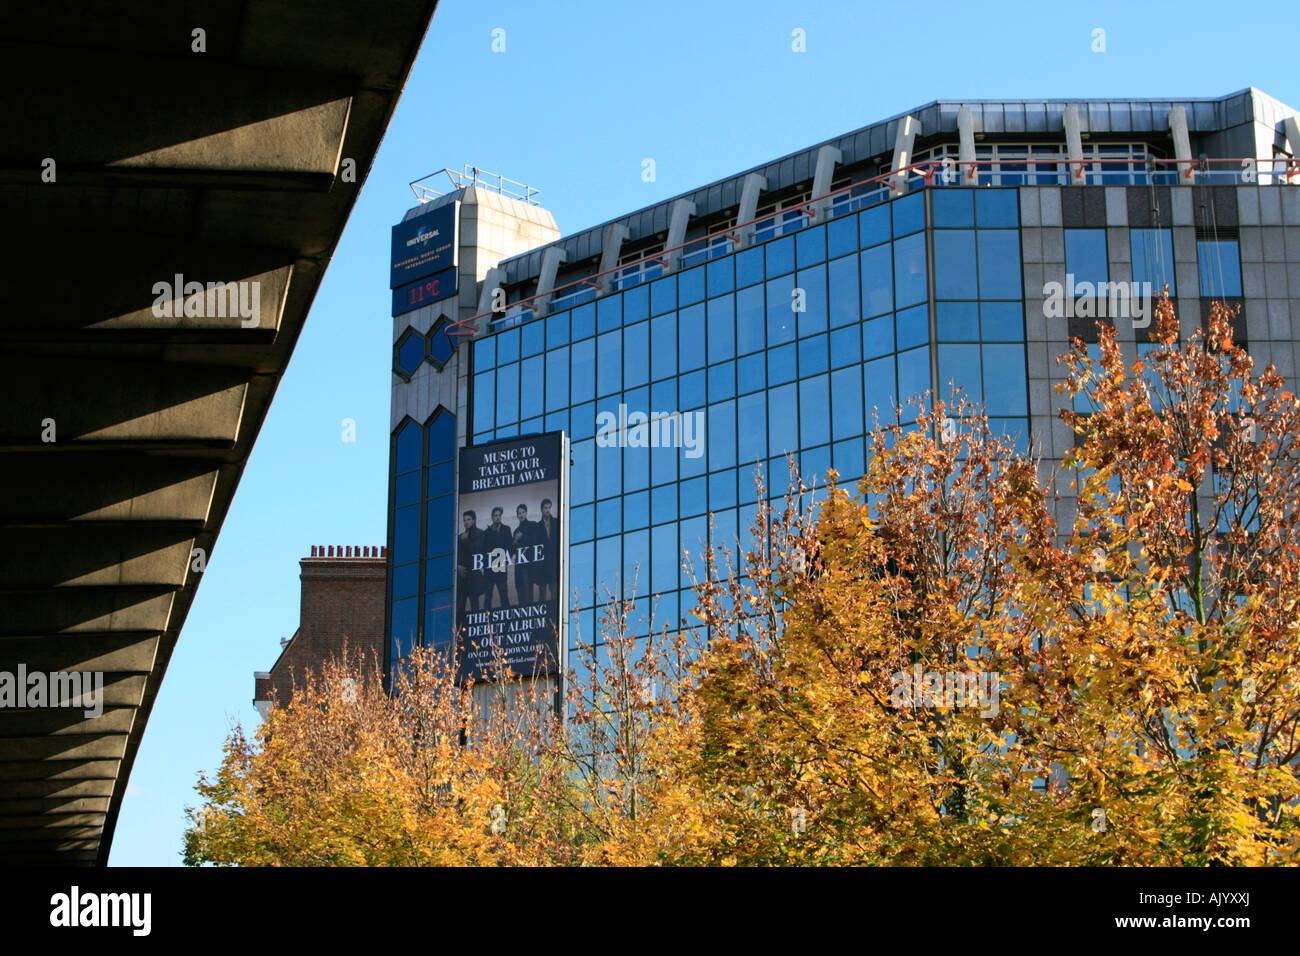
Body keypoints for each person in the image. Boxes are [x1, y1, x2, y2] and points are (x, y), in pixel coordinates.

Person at [481, 506, 513, 610]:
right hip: (489, 570)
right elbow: (484, 551)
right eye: (495, 515)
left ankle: (507, 620)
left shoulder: (506, 529)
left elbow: (510, 547)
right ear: (492, 517)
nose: (498, 517)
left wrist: (506, 562)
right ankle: (486, 621)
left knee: (504, 596)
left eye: (499, 515)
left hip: (501, 568)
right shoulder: (487, 532)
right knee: (488, 597)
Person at [512, 503, 543, 604]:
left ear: (526, 513)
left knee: (528, 594)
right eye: (519, 513)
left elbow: (536, 541)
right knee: (520, 592)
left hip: (529, 566)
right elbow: (513, 550)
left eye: (522, 512)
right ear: (517, 515)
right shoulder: (516, 531)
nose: (521, 515)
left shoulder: (533, 525)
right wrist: (515, 542)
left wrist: (523, 537)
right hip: (519, 566)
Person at [457, 510, 484, 617]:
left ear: (474, 520)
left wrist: (466, 541)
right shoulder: (460, 537)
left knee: (474, 603)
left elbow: (478, 550)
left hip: (473, 575)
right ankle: (460, 627)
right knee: (460, 604)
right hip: (461, 575)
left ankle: (475, 623)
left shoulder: (480, 534)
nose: (466, 523)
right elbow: (455, 556)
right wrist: (457, 567)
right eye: (464, 520)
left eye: (468, 520)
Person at [535, 498, 560, 601]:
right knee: (542, 594)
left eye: (549, 507)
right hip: (543, 565)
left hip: (554, 563)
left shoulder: (557, 522)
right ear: (541, 509)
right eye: (545, 508)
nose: (548, 510)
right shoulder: (537, 526)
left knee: (554, 592)